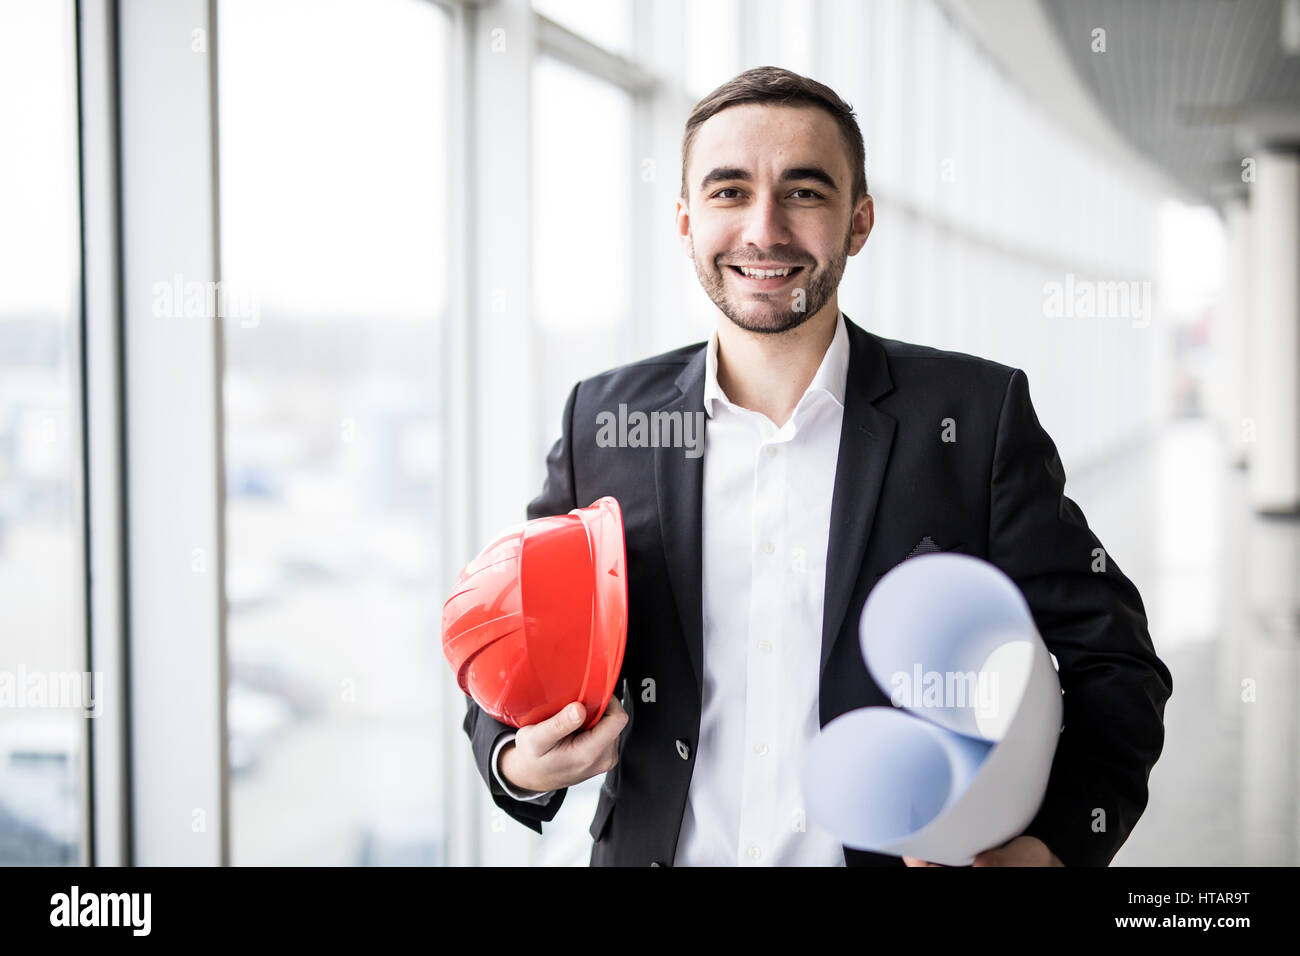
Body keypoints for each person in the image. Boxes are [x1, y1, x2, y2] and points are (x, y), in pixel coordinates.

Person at [461, 66, 1173, 867]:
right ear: (686, 220)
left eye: (803, 193)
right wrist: (515, 765)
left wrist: (1051, 849)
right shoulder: (606, 422)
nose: (764, 230)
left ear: (858, 221)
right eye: (729, 192)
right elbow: (515, 642)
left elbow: (1114, 662)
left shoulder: (976, 417)